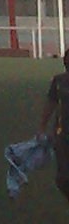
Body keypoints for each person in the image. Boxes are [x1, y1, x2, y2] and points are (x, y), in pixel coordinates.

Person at [40, 51, 69, 205]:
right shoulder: (59, 82)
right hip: (62, 134)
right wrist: (42, 128)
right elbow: (50, 104)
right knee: (62, 178)